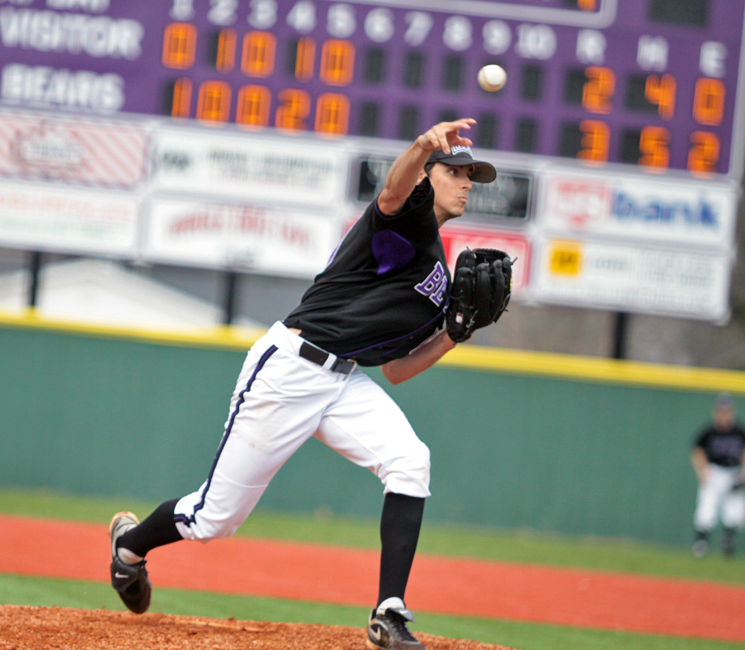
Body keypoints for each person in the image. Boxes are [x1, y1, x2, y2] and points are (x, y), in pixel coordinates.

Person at [108, 119, 498, 650]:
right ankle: (128, 550)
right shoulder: (405, 225)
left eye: (470, 174)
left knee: (410, 460)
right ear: (428, 177)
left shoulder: (438, 274)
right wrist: (423, 146)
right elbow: (391, 191)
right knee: (212, 519)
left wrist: (456, 333)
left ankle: (389, 613)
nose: (467, 181)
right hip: (289, 370)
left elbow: (397, 371)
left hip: (344, 381)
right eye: (455, 171)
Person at [691, 392, 745, 558]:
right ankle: (700, 544)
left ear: (731, 411)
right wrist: (702, 471)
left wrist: (744, 473)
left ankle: (728, 544)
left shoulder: (738, 430)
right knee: (706, 508)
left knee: (735, 511)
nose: (723, 414)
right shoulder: (710, 431)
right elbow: (697, 449)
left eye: (726, 410)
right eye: (720, 411)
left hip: (733, 472)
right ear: (715, 411)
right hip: (714, 471)